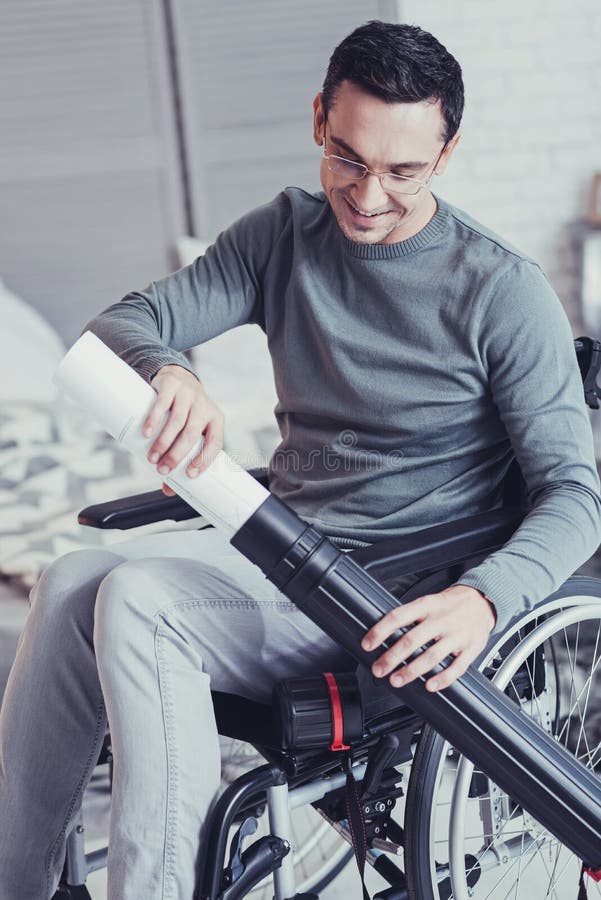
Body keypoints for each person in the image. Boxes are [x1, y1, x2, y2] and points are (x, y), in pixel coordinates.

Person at [1, 19, 600, 900]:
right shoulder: (283, 233)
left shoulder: (499, 291)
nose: (368, 195)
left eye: (403, 171)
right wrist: (169, 371)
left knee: (139, 598)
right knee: (67, 581)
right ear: (320, 117)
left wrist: (481, 599)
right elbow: (122, 323)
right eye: (349, 159)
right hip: (281, 548)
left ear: (446, 153)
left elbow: (575, 496)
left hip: (385, 592)